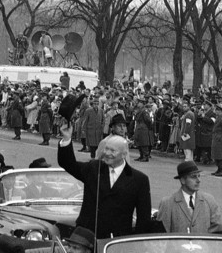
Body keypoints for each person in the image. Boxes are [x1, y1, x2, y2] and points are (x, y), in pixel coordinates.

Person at [56, 95, 152, 241]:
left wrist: (135, 244)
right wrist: (66, 139)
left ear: (124, 154)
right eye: (106, 149)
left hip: (116, 242)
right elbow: (68, 163)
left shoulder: (139, 180)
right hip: (87, 238)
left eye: (113, 151)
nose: (107, 153)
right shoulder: (93, 169)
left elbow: (143, 219)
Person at [154, 161, 222, 235]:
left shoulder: (209, 200)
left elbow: (219, 230)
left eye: (199, 176)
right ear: (183, 180)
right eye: (193, 177)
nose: (198, 180)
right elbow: (161, 235)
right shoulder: (168, 203)